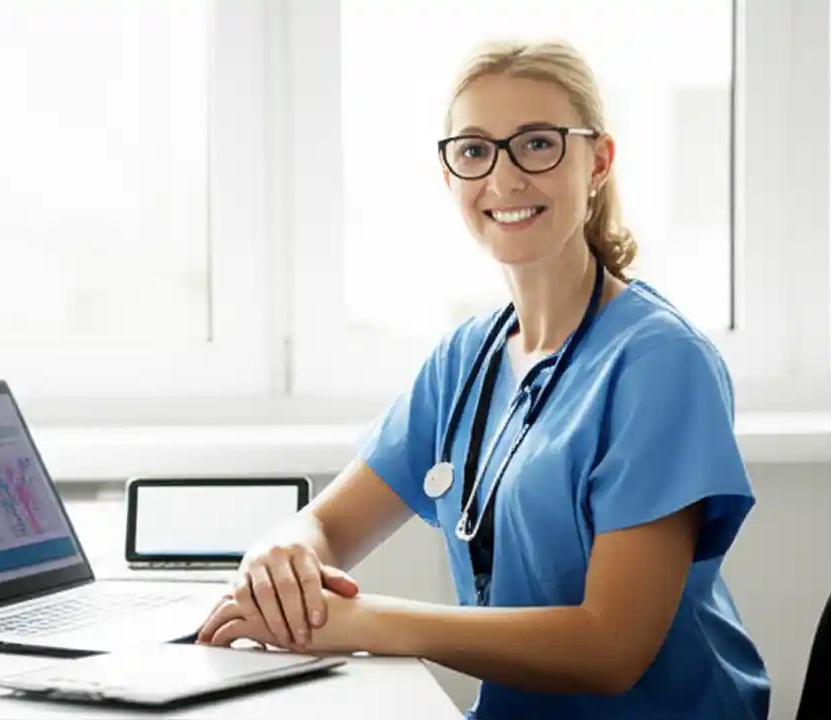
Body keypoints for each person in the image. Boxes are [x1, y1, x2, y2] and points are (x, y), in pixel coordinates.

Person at [196, 38, 770, 719]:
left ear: (599, 162)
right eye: (474, 151)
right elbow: (328, 526)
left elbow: (612, 648)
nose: (503, 179)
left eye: (537, 144)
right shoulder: (467, 359)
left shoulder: (660, 365)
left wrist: (361, 625)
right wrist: (280, 551)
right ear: (450, 179)